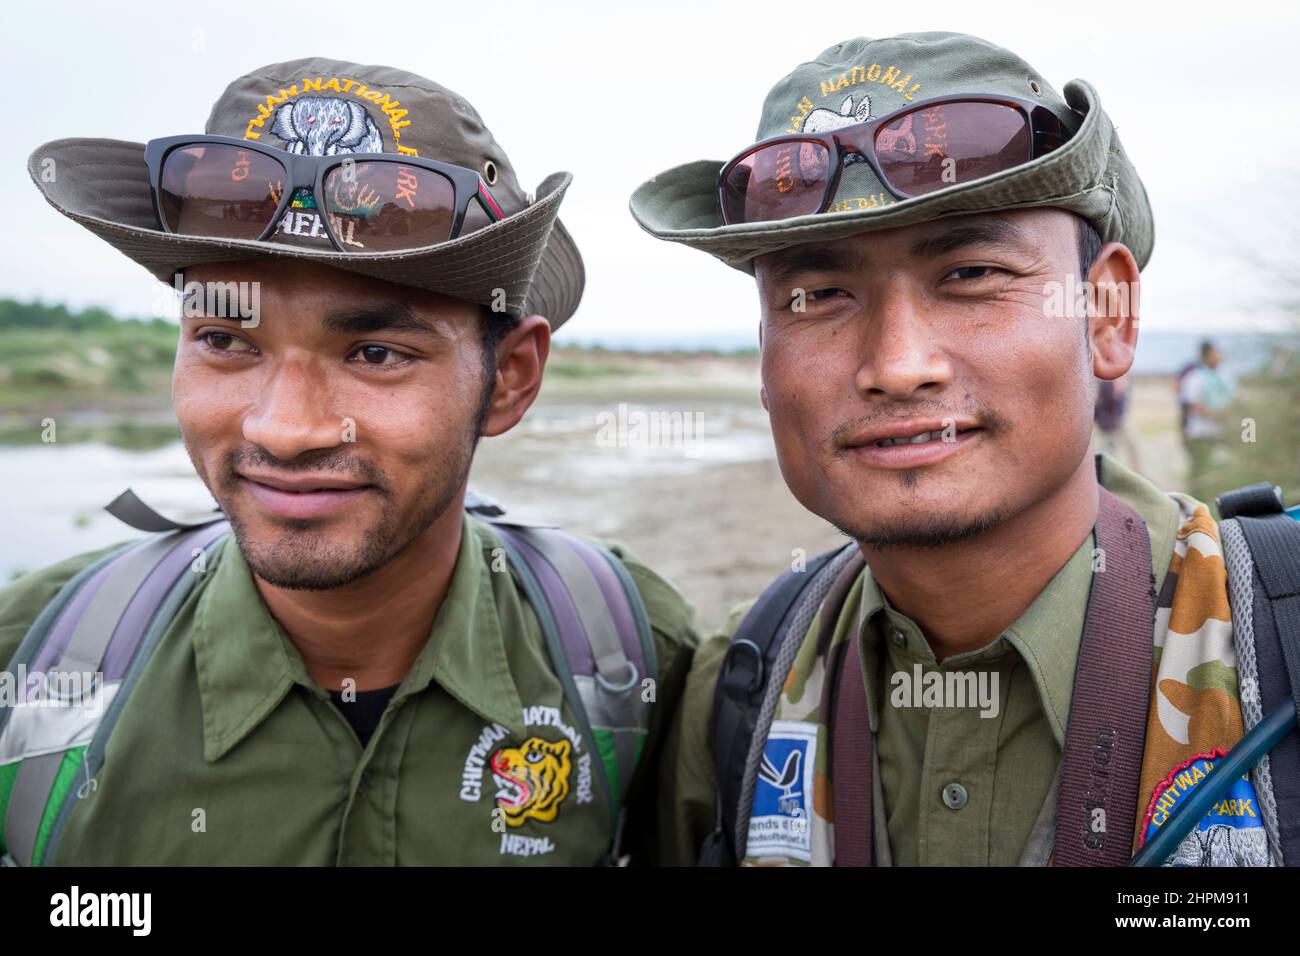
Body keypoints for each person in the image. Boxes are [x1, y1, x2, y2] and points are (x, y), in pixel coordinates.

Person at [0, 57, 697, 865]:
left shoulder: (631, 654)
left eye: (374, 352)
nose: (288, 430)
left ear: (509, 379)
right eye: (226, 341)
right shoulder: (33, 658)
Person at [631, 32, 1276, 866]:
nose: (897, 365)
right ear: (764, 353)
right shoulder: (735, 696)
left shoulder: (1272, 654)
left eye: (970, 274)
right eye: (820, 295)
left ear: (1108, 314)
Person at [1180, 340, 1235, 505]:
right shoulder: (1195, 378)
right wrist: (1217, 415)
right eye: (1216, 352)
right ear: (1206, 355)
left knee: (1221, 470)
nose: (1219, 356)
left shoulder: (1223, 377)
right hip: (1200, 434)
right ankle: (1196, 508)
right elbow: (1192, 405)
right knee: (1200, 473)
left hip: (1221, 432)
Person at [1093, 372, 1141, 473]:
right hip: (1108, 425)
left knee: (1131, 449)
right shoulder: (1105, 384)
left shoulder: (1126, 384)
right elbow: (1100, 406)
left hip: (1121, 422)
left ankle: (1135, 473)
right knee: (1108, 452)